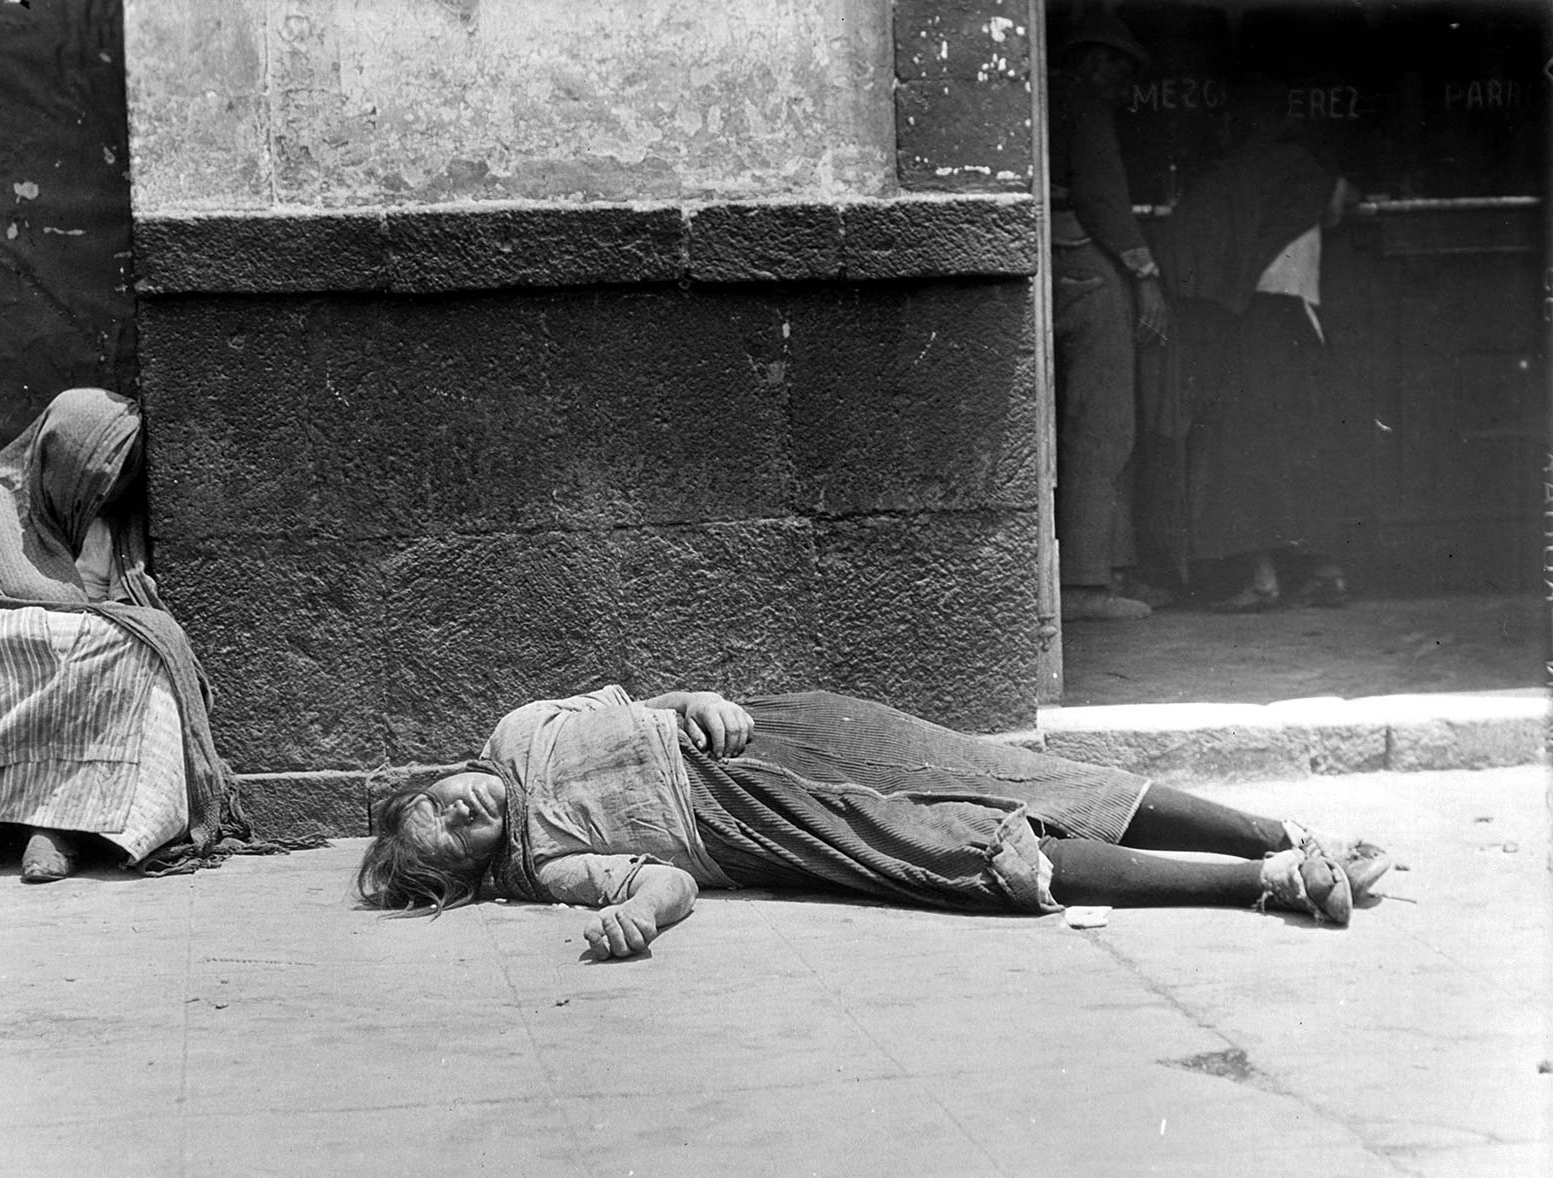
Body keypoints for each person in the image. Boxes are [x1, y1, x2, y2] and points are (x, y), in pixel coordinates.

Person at [355, 686, 1392, 960]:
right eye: (457, 837)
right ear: (474, 871)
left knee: (999, 769)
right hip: (752, 817)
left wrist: (697, 699)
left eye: (440, 802)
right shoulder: (546, 862)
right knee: (969, 848)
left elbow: (639, 697)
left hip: (773, 730)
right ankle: (1271, 884)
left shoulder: (518, 728)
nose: (465, 811)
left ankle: (1277, 834)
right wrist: (640, 918)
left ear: (430, 777)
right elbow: (658, 881)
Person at [0, 388, 246, 885]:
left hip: (78, 645)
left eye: (120, 474)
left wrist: (75, 624)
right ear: (57, 457)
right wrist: (38, 622)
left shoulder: (112, 520)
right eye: (96, 474)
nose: (109, 488)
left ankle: (60, 821)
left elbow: (126, 602)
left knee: (142, 647)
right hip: (1, 645)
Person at [1152, 102, 1361, 611]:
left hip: (1252, 322)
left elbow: (1185, 238)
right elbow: (1343, 202)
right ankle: (1326, 572)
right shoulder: (1307, 169)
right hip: (1300, 320)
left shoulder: (1234, 174)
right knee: (1308, 445)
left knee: (1244, 448)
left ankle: (1263, 579)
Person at [1048, 10, 1173, 621]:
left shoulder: (1046, 97)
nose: (1125, 87)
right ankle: (1086, 584)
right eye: (1121, 70)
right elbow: (1103, 198)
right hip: (1084, 268)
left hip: (1050, 260)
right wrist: (1146, 276)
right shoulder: (1086, 105)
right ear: (1096, 62)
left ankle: (1101, 573)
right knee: (1103, 427)